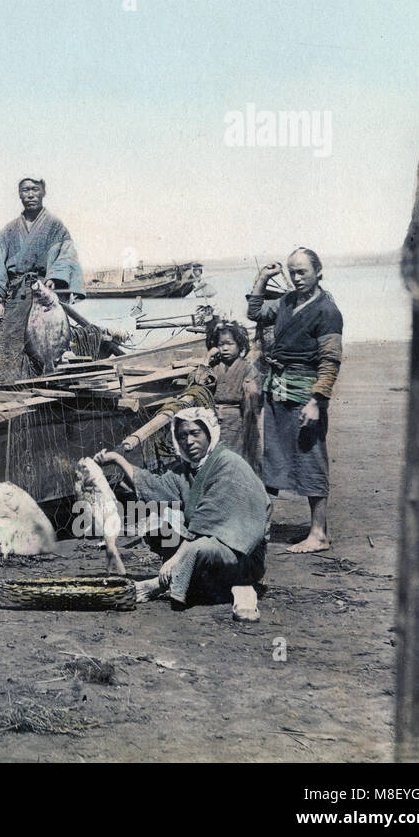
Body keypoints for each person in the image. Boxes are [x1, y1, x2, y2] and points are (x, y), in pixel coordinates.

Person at [96, 407, 270, 621]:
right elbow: (153, 486)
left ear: (210, 433)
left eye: (195, 433)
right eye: (182, 436)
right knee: (156, 524)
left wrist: (176, 558)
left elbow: (207, 523)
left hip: (242, 556)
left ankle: (165, 584)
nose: (189, 441)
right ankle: (192, 578)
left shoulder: (229, 465)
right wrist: (116, 459)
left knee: (198, 548)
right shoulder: (188, 470)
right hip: (205, 542)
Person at [247, 248, 343, 553]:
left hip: (305, 393)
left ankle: (319, 533)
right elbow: (255, 313)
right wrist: (263, 278)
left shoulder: (327, 311)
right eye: (292, 271)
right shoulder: (287, 302)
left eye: (302, 271)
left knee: (311, 457)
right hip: (277, 388)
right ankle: (260, 526)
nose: (297, 277)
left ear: (318, 271)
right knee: (273, 456)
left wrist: (317, 400)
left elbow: (330, 360)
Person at [0, 177, 83, 384]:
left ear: (43, 192)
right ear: (19, 194)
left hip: (44, 295)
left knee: (50, 346)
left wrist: (55, 278)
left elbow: (66, 255)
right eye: (25, 190)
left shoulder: (55, 226)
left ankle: (48, 386)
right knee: (9, 345)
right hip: (15, 297)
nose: (30, 194)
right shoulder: (9, 230)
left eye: (34, 189)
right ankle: (7, 392)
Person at [206, 320, 261, 469]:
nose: (224, 348)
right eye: (220, 344)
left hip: (237, 422)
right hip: (213, 420)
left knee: (234, 460)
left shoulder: (247, 369)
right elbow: (200, 381)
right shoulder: (214, 367)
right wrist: (207, 358)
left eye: (229, 344)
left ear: (240, 344)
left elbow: (253, 402)